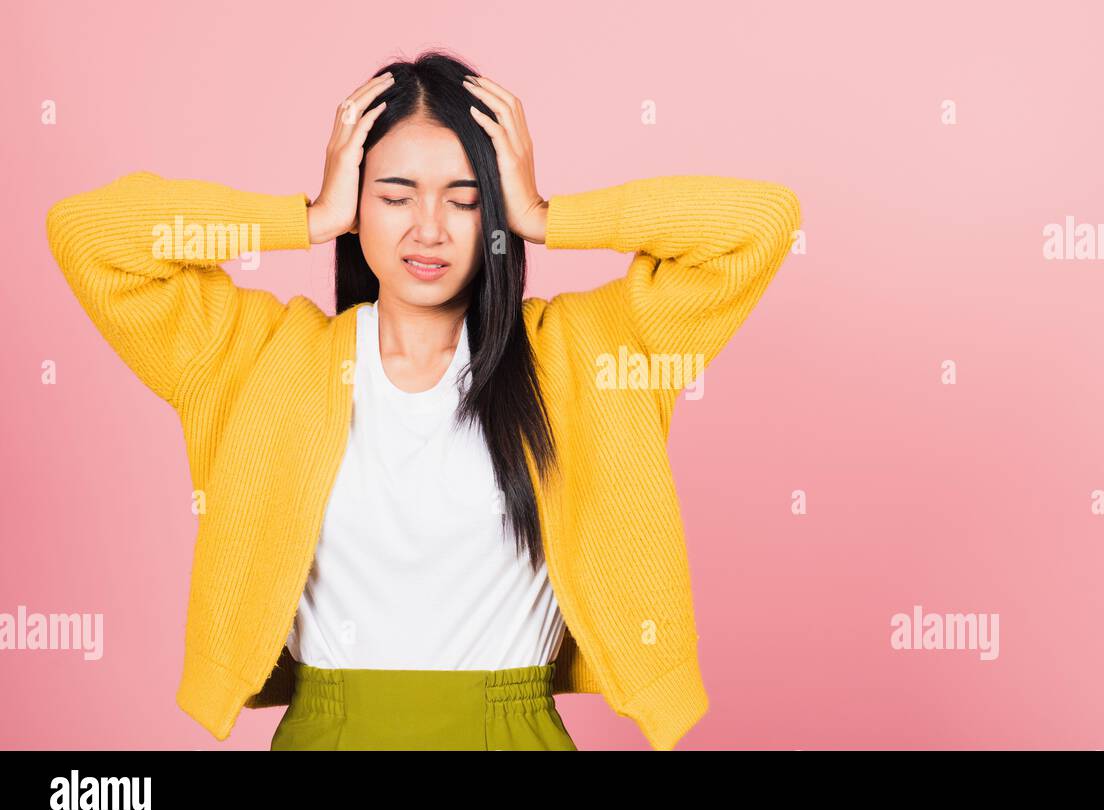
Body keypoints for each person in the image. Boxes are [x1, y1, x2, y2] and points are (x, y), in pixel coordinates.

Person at [45, 48, 801, 750]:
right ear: (358, 206)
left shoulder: (589, 354)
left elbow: (759, 224)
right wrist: (306, 216)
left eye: (466, 199)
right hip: (329, 731)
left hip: (511, 730)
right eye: (395, 195)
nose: (429, 229)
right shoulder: (255, 355)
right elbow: (86, 233)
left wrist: (544, 215)